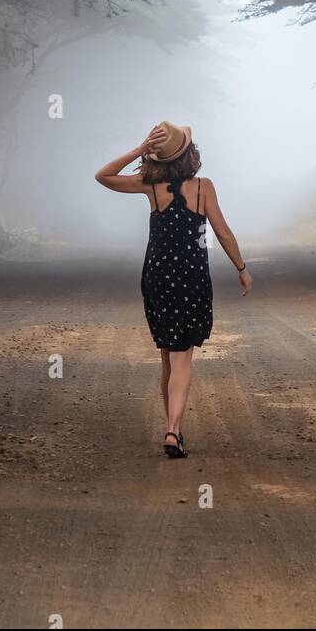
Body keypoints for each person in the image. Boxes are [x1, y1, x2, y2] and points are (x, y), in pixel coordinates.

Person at [95, 122, 252, 458]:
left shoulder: (150, 186)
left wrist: (139, 150)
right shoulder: (203, 188)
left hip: (157, 277)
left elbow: (103, 176)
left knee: (168, 356)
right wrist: (241, 268)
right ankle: (172, 431)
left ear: (158, 157)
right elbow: (222, 232)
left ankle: (175, 430)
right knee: (181, 360)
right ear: (190, 154)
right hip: (191, 278)